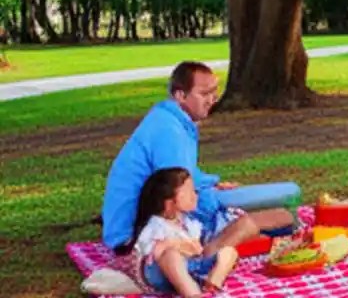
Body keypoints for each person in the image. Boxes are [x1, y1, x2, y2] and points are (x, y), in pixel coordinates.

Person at [102, 62, 294, 254]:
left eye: (214, 93)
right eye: (204, 94)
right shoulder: (169, 131)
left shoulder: (168, 120)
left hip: (131, 229)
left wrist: (211, 183)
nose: (212, 100)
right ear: (180, 95)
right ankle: (213, 249)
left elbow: (183, 176)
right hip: (133, 236)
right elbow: (179, 195)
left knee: (277, 216)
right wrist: (218, 201)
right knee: (284, 213)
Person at [128, 167, 238, 297]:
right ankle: (192, 293)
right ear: (169, 203)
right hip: (163, 273)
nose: (195, 195)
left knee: (228, 250)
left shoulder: (189, 223)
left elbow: (198, 248)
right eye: (189, 192)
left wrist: (197, 249)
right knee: (171, 256)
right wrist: (174, 245)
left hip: (190, 268)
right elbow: (150, 253)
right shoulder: (156, 226)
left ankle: (214, 280)